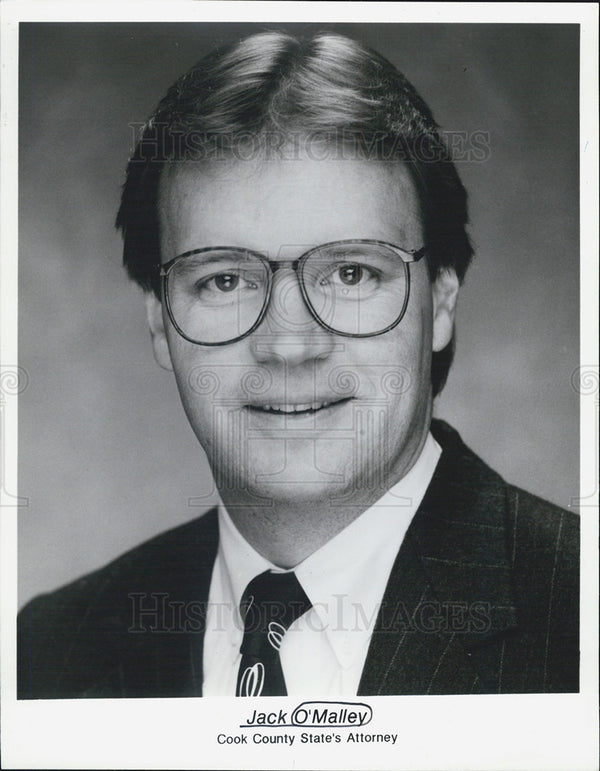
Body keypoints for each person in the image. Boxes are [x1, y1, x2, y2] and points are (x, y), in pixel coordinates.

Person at [18, 30, 579, 698]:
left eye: (350, 271)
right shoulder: (48, 650)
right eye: (225, 280)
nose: (290, 344)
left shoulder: (580, 613)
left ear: (443, 297)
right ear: (159, 322)